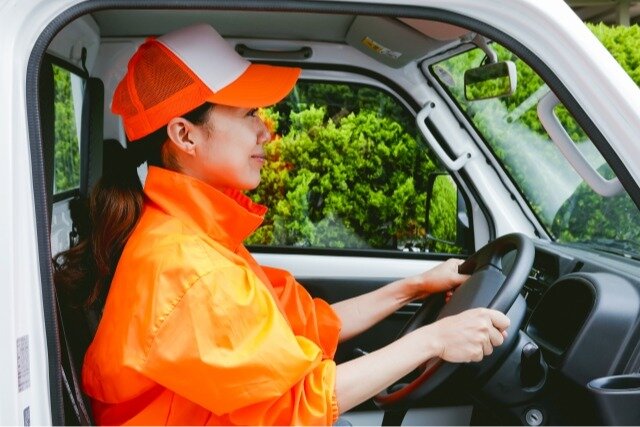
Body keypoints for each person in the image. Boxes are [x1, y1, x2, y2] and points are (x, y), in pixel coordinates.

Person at [54, 23, 510, 426]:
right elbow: (296, 406)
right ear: (184, 134)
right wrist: (435, 340)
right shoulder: (189, 268)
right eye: (248, 113)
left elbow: (309, 322)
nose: (266, 131)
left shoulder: (195, 236)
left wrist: (414, 287)